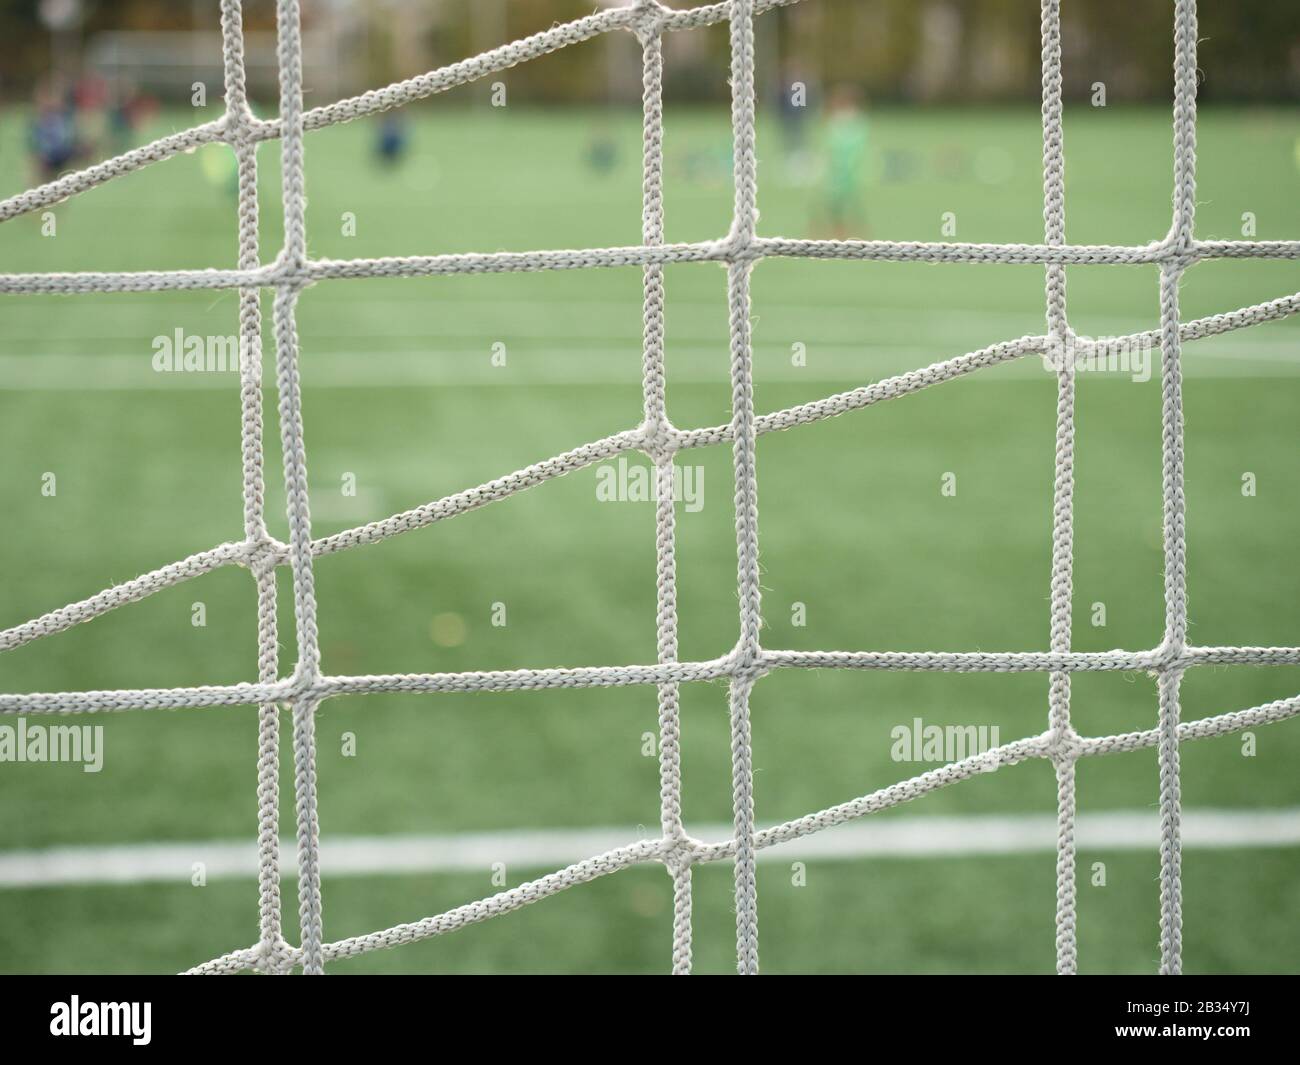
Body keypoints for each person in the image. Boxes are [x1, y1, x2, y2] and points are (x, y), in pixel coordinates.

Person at [820, 83, 871, 238]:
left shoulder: (853, 122)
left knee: (846, 200)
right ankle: (840, 230)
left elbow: (852, 145)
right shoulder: (837, 120)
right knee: (836, 202)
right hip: (838, 169)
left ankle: (853, 230)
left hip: (847, 169)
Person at [28, 79, 80, 184]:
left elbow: (69, 136)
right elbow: (35, 143)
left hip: (62, 154)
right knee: (45, 181)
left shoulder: (64, 116)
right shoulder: (38, 120)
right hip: (47, 156)